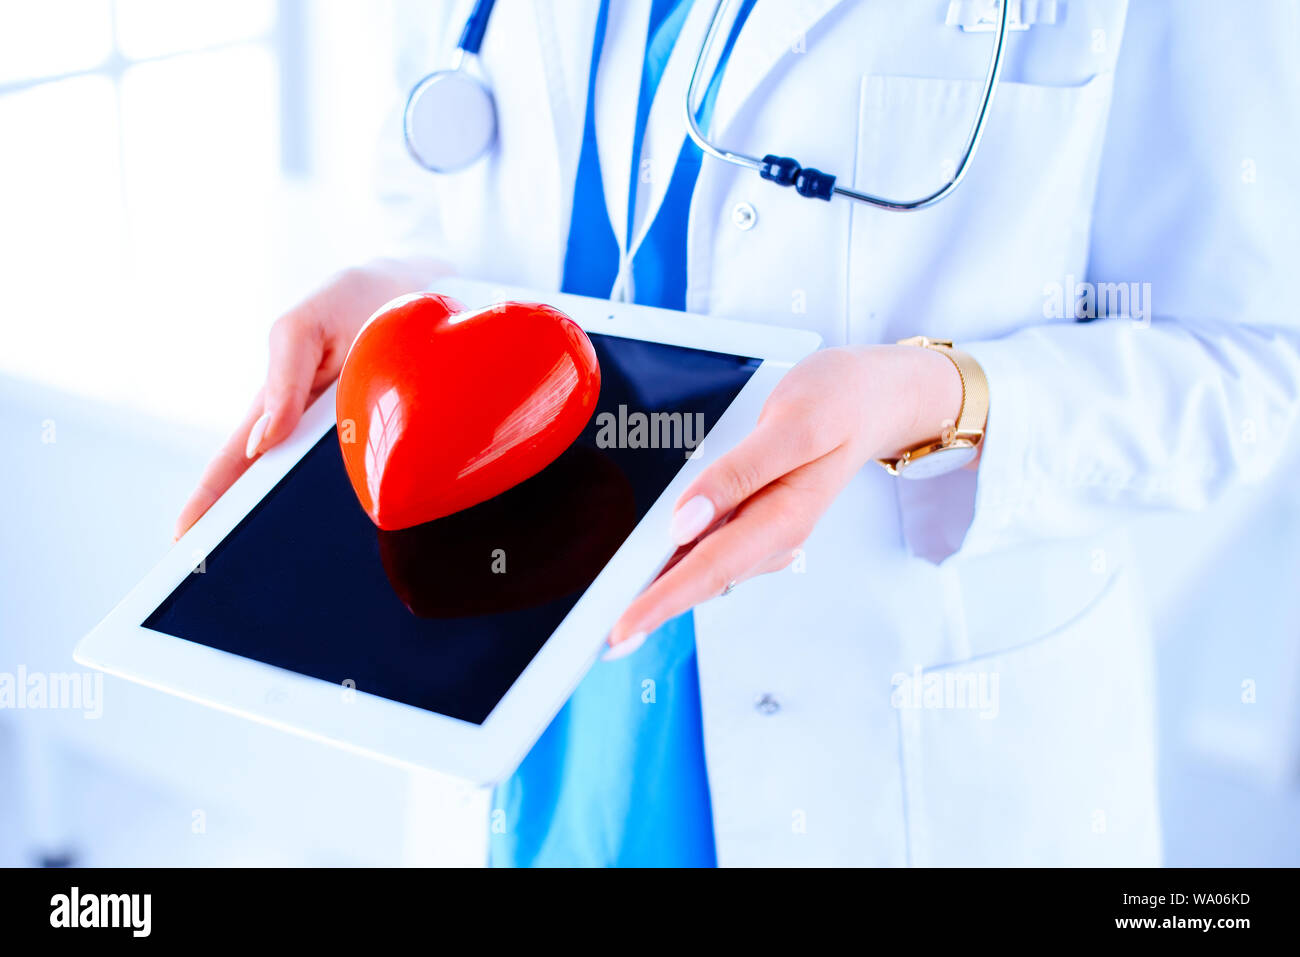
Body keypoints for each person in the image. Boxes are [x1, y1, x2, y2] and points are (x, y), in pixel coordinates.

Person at [176, 0, 1300, 866]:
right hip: (541, 720)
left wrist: (933, 399)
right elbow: (480, 219)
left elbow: (1253, 362)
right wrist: (397, 297)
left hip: (900, 739)